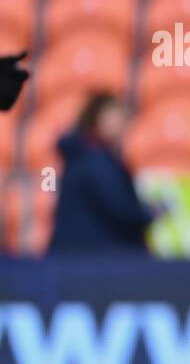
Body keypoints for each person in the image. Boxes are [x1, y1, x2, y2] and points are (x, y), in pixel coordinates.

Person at [48, 93, 156, 254]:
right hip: (93, 258)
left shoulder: (84, 156)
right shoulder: (95, 161)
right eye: (116, 116)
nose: (123, 123)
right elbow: (120, 210)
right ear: (99, 118)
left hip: (77, 255)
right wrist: (150, 214)